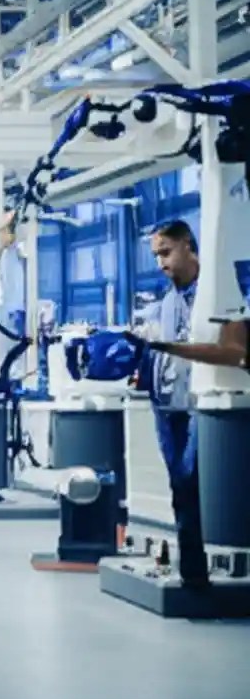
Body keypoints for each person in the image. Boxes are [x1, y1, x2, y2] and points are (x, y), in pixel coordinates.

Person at [134, 220, 211, 589]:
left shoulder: (215, 295)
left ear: (187, 245)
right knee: (180, 487)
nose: (160, 262)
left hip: (200, 405)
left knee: (199, 482)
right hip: (166, 406)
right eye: (156, 256)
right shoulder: (164, 303)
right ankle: (193, 573)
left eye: (166, 252)